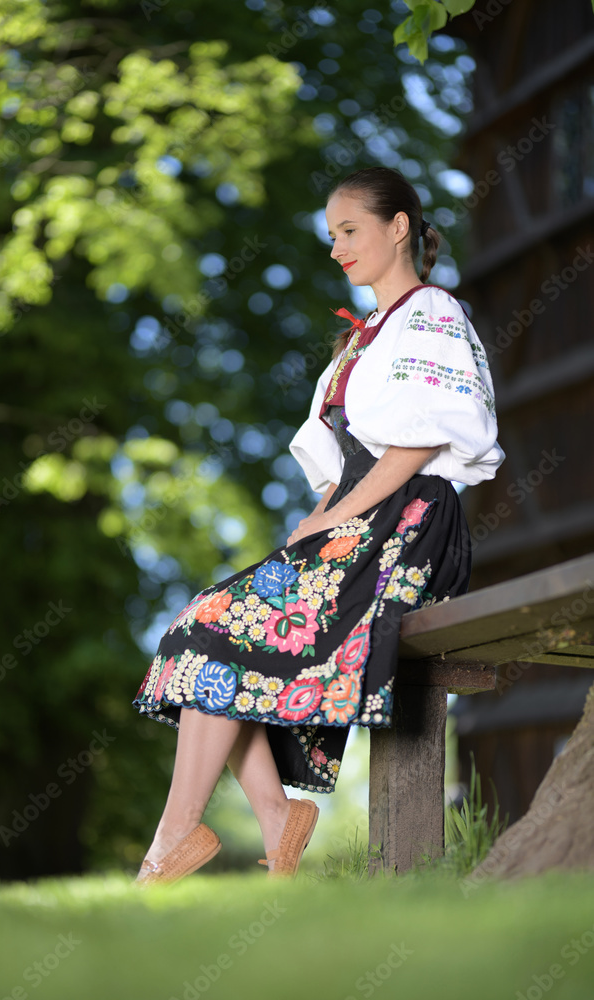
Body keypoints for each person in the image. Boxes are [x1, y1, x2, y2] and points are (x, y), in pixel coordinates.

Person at [131, 165, 505, 885]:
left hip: (406, 525)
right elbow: (343, 468)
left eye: (349, 231)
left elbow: (417, 445)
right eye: (331, 236)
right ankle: (273, 819)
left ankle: (173, 841)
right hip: (357, 518)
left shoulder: (430, 313)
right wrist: (306, 528)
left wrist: (332, 518)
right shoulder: (366, 336)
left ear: (398, 227)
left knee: (213, 631)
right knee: (198, 630)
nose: (336, 249)